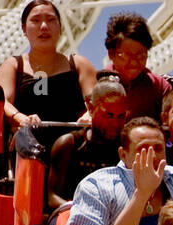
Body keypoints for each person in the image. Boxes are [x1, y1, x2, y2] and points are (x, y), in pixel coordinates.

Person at [0, 0, 96, 131]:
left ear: (60, 26)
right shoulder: (13, 66)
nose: (44, 26)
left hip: (75, 144)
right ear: (24, 28)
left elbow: (98, 101)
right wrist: (20, 118)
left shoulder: (79, 65)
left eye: (51, 20)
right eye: (35, 20)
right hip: (27, 145)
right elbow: (1, 102)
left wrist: (90, 115)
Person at [47, 76, 128, 209]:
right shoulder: (68, 145)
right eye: (108, 115)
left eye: (121, 116)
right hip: (70, 219)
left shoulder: (127, 146)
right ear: (91, 108)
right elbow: (52, 198)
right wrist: (84, 211)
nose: (115, 124)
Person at [104, 12, 173, 120]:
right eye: (127, 55)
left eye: (141, 56)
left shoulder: (159, 87)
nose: (134, 62)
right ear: (111, 54)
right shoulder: (98, 84)